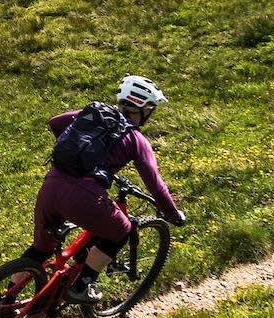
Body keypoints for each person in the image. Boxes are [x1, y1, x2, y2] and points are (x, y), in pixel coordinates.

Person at [33, 75, 186, 293]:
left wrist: (77, 151)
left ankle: (6, 303)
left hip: (52, 183)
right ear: (143, 109)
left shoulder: (93, 115)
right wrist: (173, 215)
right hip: (83, 195)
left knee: (39, 250)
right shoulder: (136, 138)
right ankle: (82, 287)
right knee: (122, 230)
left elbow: (55, 123)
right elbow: (155, 183)